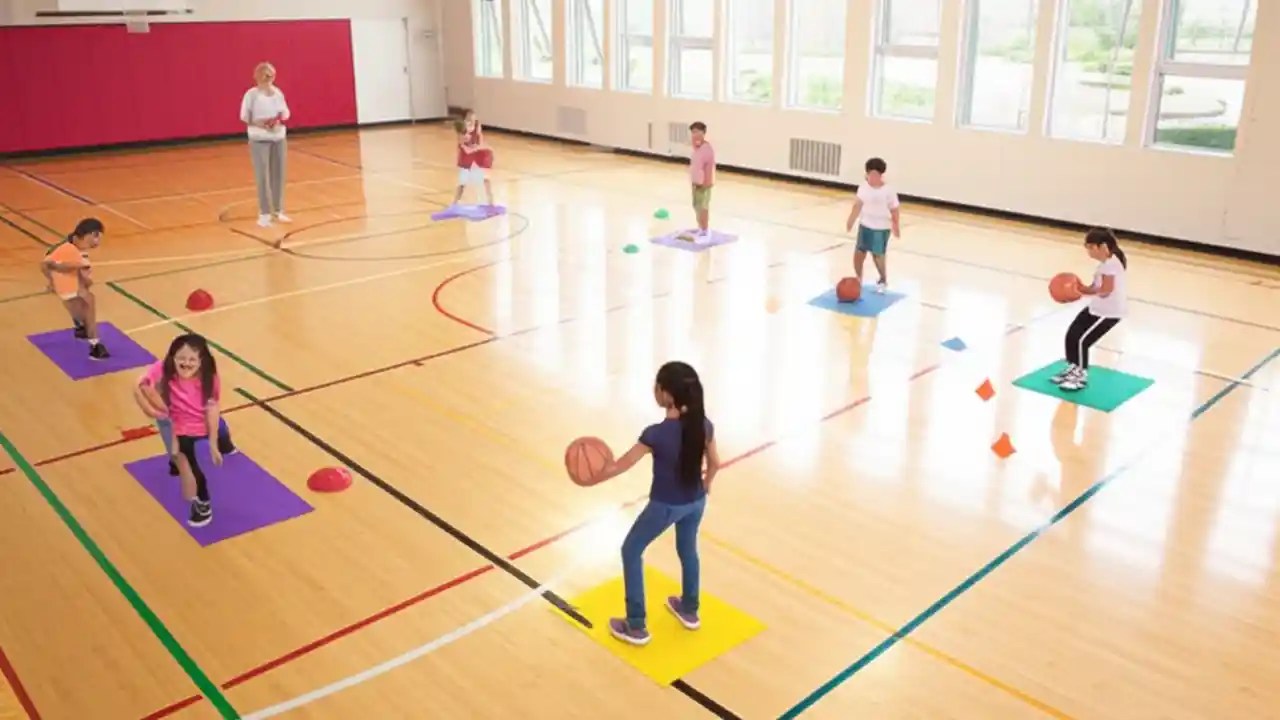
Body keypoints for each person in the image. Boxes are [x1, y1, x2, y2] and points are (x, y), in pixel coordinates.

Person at [593, 361, 721, 646]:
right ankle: (690, 609)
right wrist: (706, 485)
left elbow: (621, 465)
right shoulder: (704, 425)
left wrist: (594, 476)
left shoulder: (656, 433)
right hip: (696, 502)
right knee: (688, 551)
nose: (655, 390)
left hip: (665, 506)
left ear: (667, 395)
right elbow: (715, 463)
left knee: (631, 550)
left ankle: (636, 625)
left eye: (657, 386)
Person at [136, 334, 227, 527]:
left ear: (202, 361)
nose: (186, 363)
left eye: (192, 359)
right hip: (177, 422)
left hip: (199, 424)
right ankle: (198, 495)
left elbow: (213, 409)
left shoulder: (210, 379)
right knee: (184, 460)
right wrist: (147, 403)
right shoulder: (163, 368)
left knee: (197, 461)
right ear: (173, 358)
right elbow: (141, 384)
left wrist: (213, 442)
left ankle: (203, 502)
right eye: (181, 358)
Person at [1054, 229, 1129, 391]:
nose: (1088, 251)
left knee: (1083, 341)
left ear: (1102, 246)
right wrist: (1080, 288)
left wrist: (1080, 291)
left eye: (1090, 247)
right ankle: (1073, 367)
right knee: (1072, 334)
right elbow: (1096, 288)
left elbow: (1106, 290)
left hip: (1109, 313)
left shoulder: (1112, 265)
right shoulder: (1105, 265)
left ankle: (1080, 377)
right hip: (1096, 307)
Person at [41, 218, 109, 360]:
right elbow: (48, 265)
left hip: (69, 285)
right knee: (88, 304)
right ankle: (95, 347)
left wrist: (52, 280)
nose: (98, 243)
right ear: (91, 234)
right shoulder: (69, 250)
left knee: (84, 305)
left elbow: (47, 264)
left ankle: (81, 327)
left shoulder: (74, 246)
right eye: (98, 238)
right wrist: (55, 279)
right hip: (68, 287)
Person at [240, 61, 291, 229]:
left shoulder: (277, 93)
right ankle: (264, 213)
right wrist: (260, 123)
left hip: (278, 138)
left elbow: (285, 113)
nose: (268, 78)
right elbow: (245, 116)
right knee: (263, 176)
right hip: (259, 138)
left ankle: (278, 210)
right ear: (257, 77)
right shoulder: (251, 95)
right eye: (264, 75)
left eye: (270, 75)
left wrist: (276, 120)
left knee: (278, 174)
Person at [844, 157, 901, 294]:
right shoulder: (863, 187)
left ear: (881, 175)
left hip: (881, 228)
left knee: (877, 255)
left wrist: (896, 225)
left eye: (876, 175)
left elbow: (894, 209)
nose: (872, 178)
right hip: (865, 225)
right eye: (870, 174)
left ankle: (883, 278)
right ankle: (858, 278)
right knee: (859, 253)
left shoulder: (888, 191)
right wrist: (851, 220)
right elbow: (857, 205)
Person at [450, 110, 495, 208]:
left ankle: (491, 201)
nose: (472, 121)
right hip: (466, 157)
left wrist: (482, 147)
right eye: (470, 120)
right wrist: (477, 147)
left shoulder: (477, 127)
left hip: (477, 156)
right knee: (462, 182)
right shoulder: (462, 131)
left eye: (474, 120)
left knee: (486, 179)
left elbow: (480, 141)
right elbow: (465, 149)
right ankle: (455, 202)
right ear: (466, 120)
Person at [688, 121, 716, 243]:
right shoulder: (696, 147)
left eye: (697, 132)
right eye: (693, 132)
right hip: (695, 183)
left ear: (703, 133)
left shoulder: (707, 149)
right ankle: (700, 227)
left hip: (704, 184)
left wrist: (706, 182)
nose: (695, 135)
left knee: (703, 207)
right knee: (696, 206)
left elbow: (709, 167)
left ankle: (705, 230)